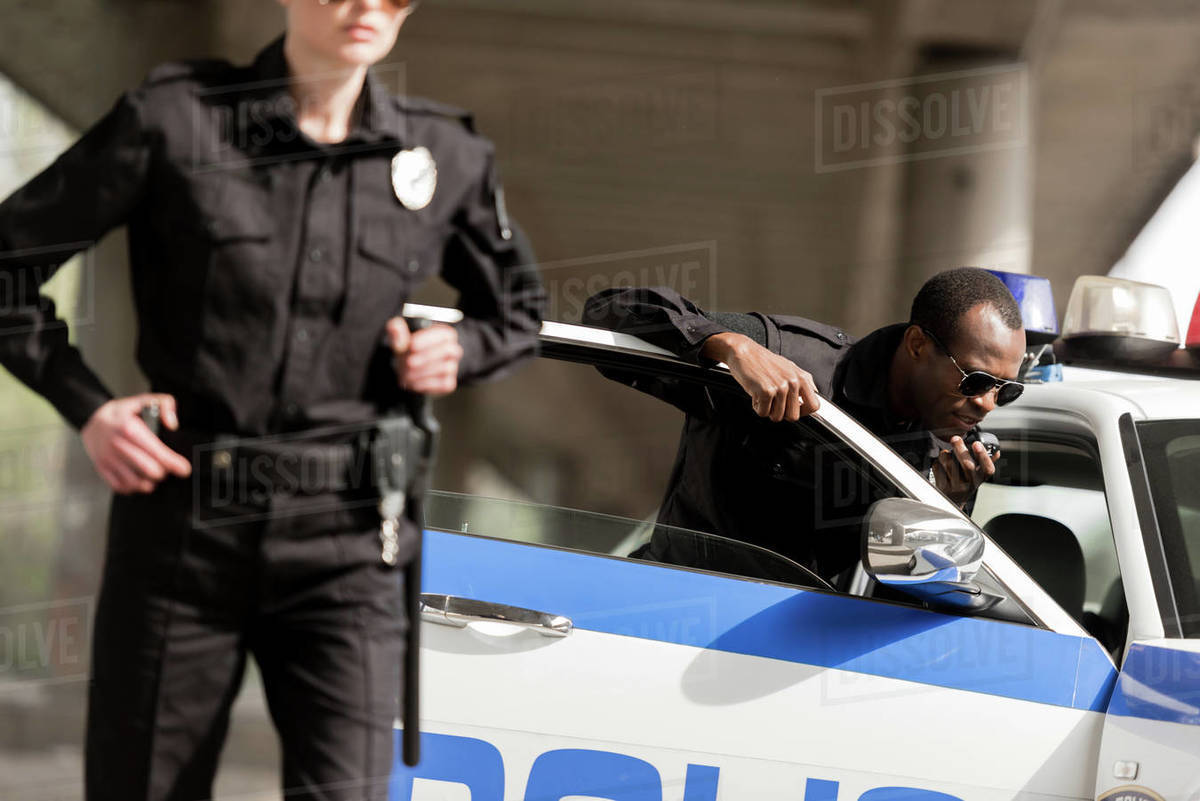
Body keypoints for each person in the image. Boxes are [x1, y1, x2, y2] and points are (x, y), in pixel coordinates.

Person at [0, 1, 544, 799]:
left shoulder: (445, 154)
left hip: (351, 549)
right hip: (180, 529)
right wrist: (88, 405)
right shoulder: (176, 120)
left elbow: (519, 313)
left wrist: (458, 347)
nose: (368, 7)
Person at [583, 267, 1025, 580]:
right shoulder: (791, 357)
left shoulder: (945, 452)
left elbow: (903, 589)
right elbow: (607, 311)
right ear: (916, 345)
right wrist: (730, 347)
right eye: (977, 379)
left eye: (1006, 390)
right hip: (676, 610)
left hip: (801, 653)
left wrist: (946, 508)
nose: (987, 404)